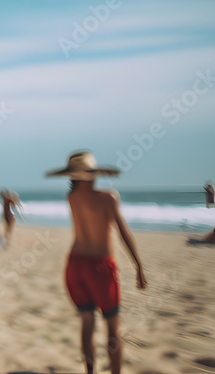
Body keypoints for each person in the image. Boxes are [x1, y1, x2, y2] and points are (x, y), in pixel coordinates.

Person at [46, 151, 147, 374]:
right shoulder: (108, 198)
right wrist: (138, 265)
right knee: (112, 327)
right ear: (92, 173)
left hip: (75, 266)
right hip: (100, 268)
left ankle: (90, 372)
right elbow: (122, 232)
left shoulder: (71, 197)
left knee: (87, 322)